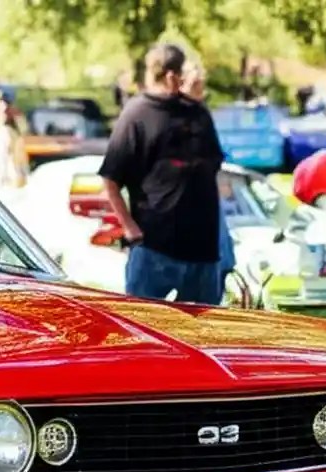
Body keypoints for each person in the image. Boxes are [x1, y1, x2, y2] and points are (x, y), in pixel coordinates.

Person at [99, 43, 225, 305]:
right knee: (146, 330)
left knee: (205, 335)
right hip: (154, 247)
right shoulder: (136, 114)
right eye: (180, 74)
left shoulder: (197, 113)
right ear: (170, 76)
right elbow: (110, 180)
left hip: (203, 248)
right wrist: (130, 228)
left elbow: (214, 166)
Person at [181, 64, 236, 303]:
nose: (200, 93)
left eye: (202, 88)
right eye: (195, 86)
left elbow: (214, 160)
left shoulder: (201, 117)